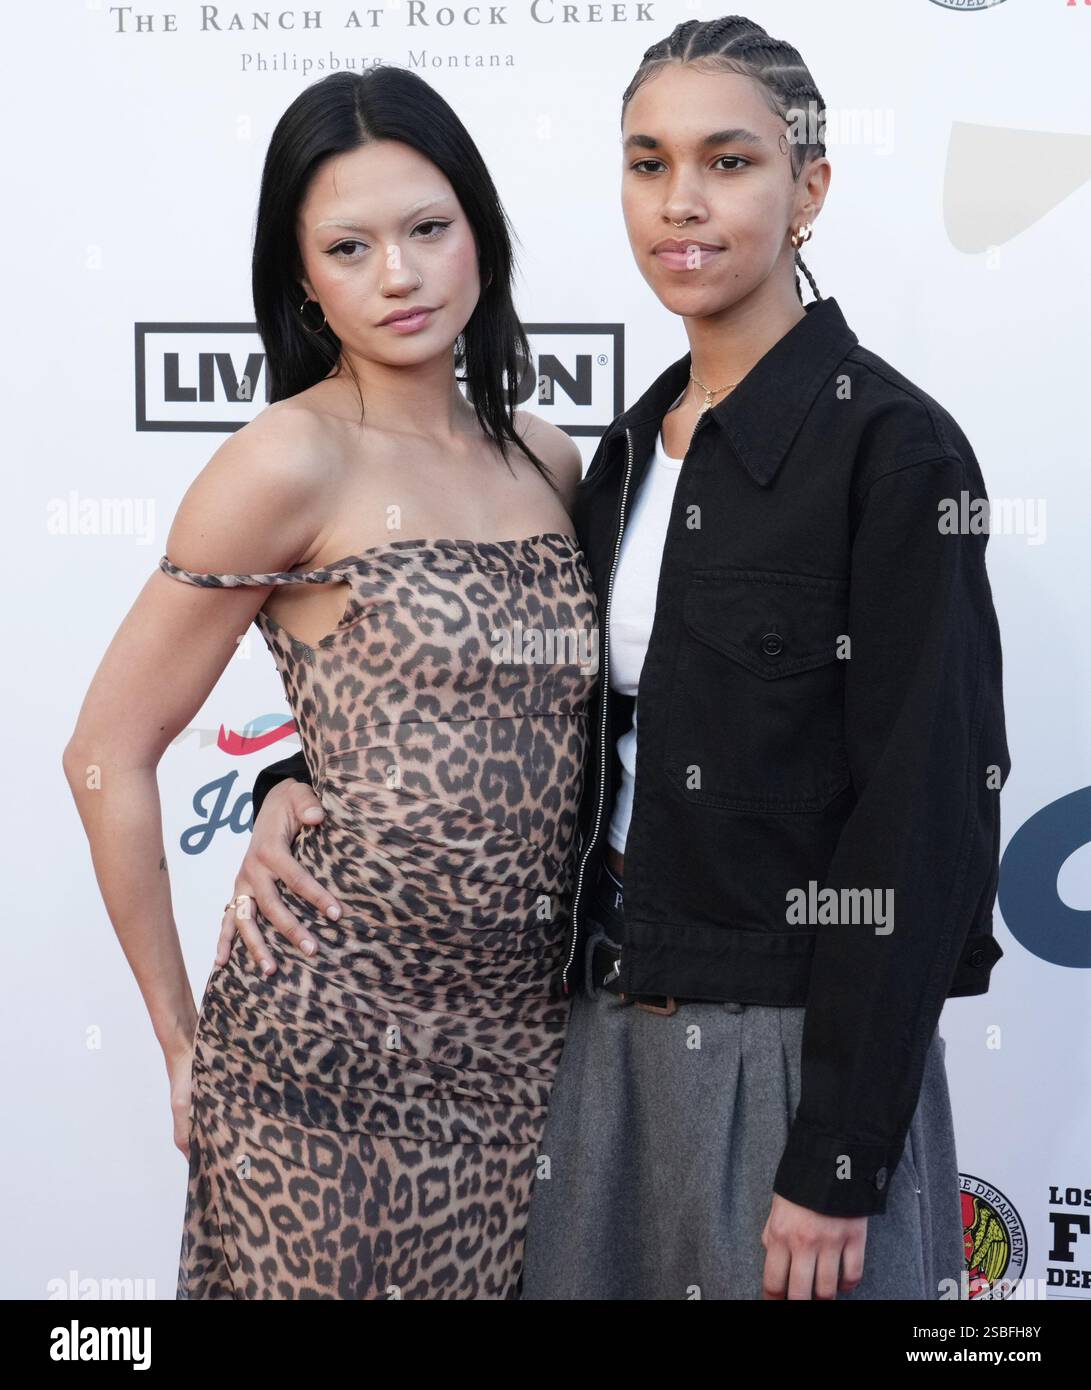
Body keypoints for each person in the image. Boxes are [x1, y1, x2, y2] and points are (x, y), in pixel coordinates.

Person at [239, 16, 1011, 1301]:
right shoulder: (626, 449)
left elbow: (926, 815)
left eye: (727, 161)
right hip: (595, 1039)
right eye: (646, 164)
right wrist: (296, 783)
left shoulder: (893, 454)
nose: (679, 202)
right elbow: (522, 714)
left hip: (788, 1059)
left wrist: (839, 1150)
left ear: (809, 188)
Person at [62, 67, 597, 1300]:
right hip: (321, 1058)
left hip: (522, 1055)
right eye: (349, 248)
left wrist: (286, 780)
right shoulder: (285, 459)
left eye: (427, 228)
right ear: (304, 278)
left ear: (480, 233)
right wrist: (179, 1042)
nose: (398, 276)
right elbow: (104, 750)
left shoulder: (548, 460)